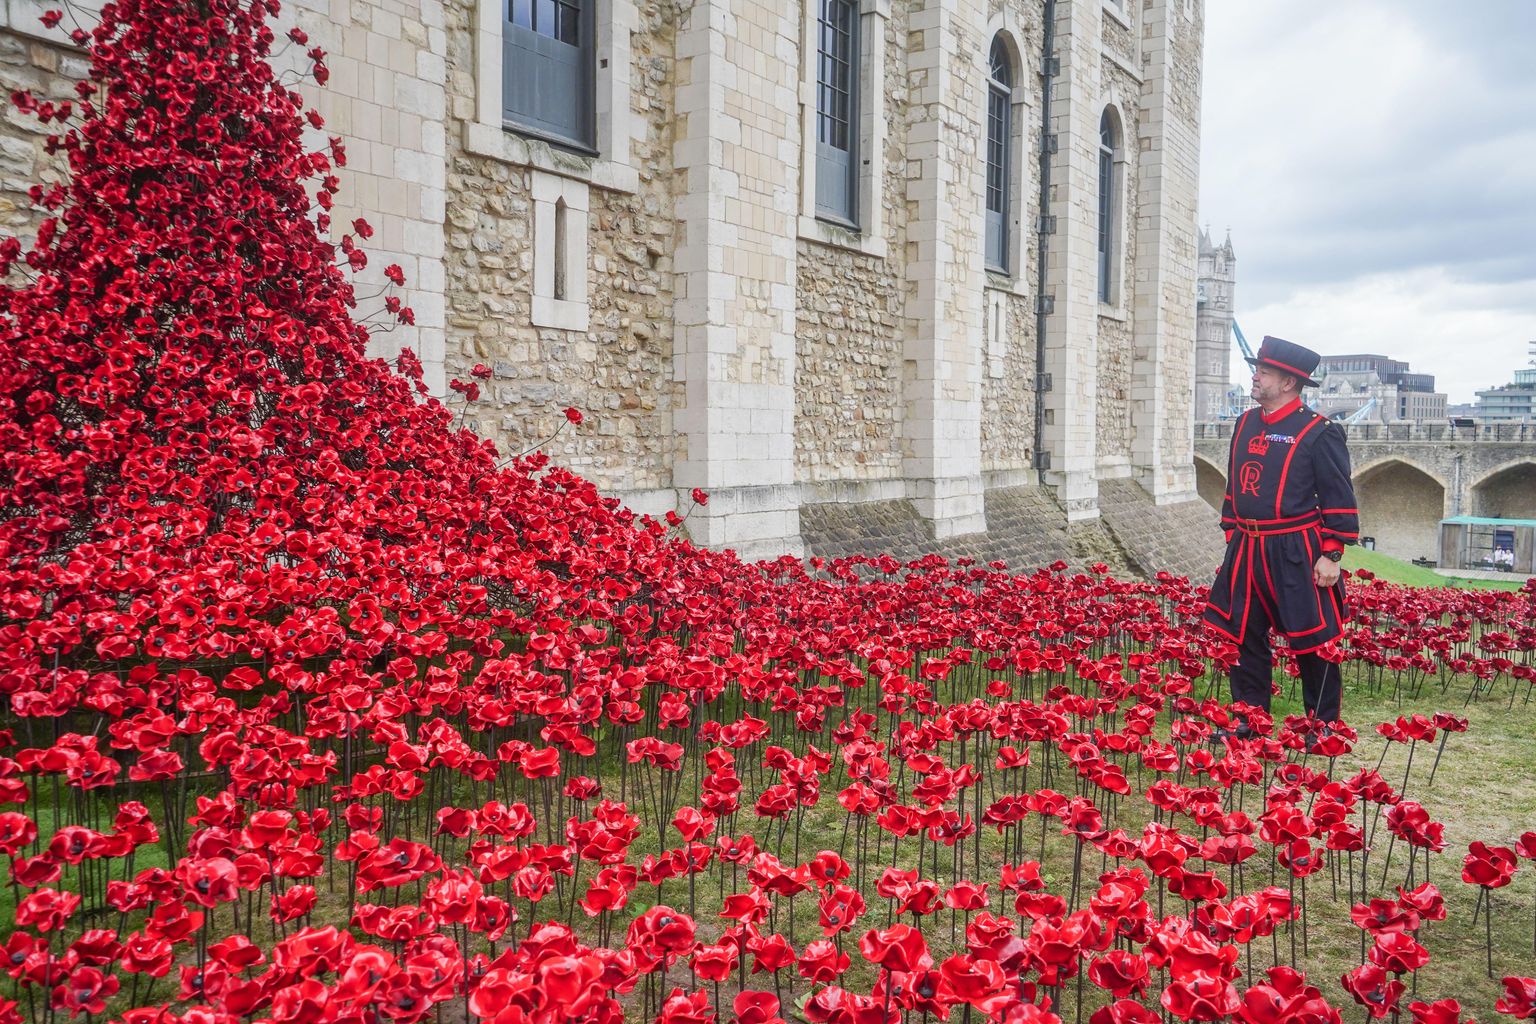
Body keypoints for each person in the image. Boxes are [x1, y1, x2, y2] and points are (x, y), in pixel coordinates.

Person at [1202, 336, 1360, 743]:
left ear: (1289, 382)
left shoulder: (1319, 431)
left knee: (1313, 640)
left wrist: (1332, 552)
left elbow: (1338, 496)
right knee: (1243, 636)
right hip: (1247, 549)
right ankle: (1249, 722)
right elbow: (1234, 483)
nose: (1255, 377)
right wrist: (1233, 530)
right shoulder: (1245, 422)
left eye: (1264, 372)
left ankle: (1321, 727)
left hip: (1297, 549)